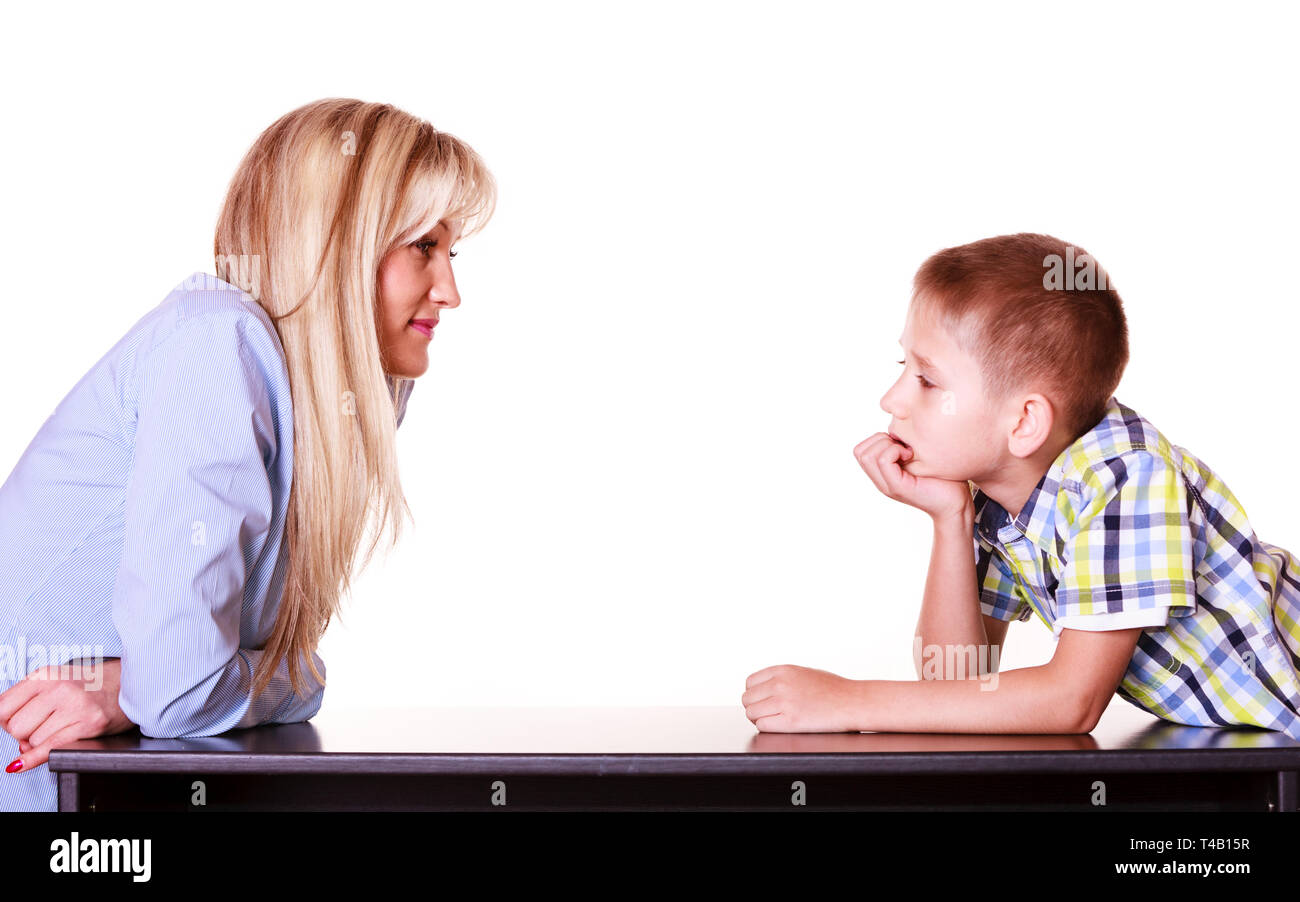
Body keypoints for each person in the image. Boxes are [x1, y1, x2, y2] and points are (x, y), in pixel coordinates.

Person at [0, 98, 495, 810]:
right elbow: (187, 691)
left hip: (116, 791)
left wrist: (141, 689)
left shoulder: (342, 399)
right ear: (333, 242)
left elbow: (215, 682)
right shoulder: (218, 347)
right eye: (423, 246)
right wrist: (277, 678)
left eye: (452, 252)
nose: (450, 291)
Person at [742, 233, 1300, 737]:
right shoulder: (1003, 495)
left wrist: (850, 701)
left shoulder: (1123, 476)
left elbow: (1071, 702)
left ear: (1025, 422)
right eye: (902, 366)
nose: (892, 399)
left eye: (927, 379)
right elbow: (956, 682)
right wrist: (951, 519)